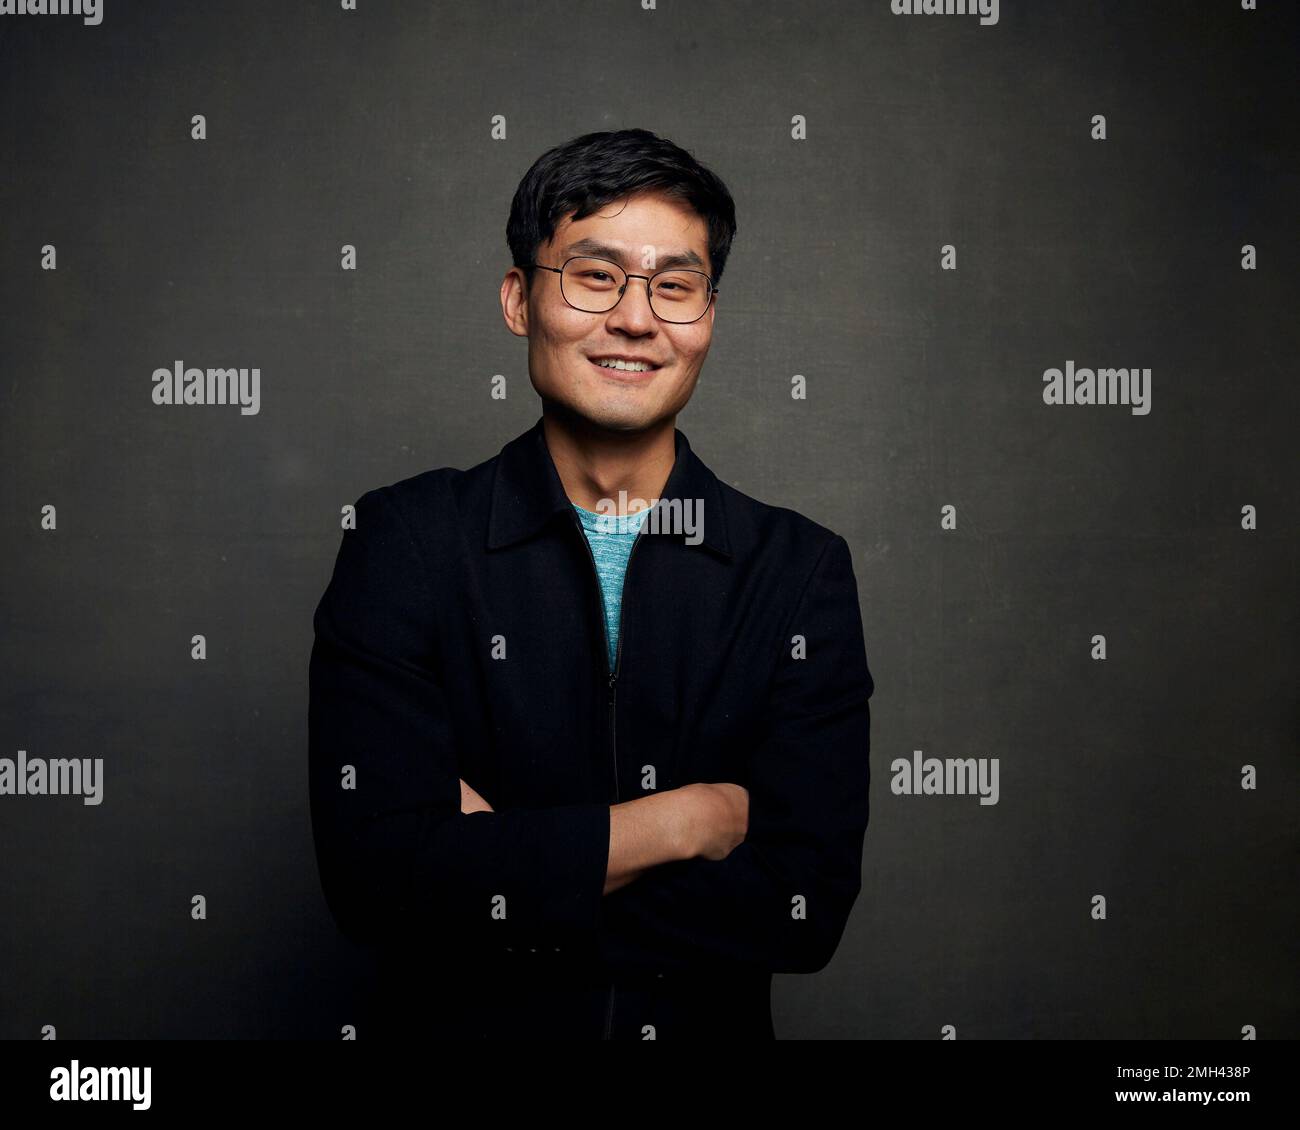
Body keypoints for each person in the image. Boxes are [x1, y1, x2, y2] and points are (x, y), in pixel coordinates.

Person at [308, 128, 875, 1040]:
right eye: (595, 275)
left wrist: (495, 866)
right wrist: (683, 822)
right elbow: (375, 880)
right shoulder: (406, 542)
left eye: (675, 286)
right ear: (518, 299)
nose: (637, 319)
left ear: (709, 317)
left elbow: (801, 911)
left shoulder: (797, 571)